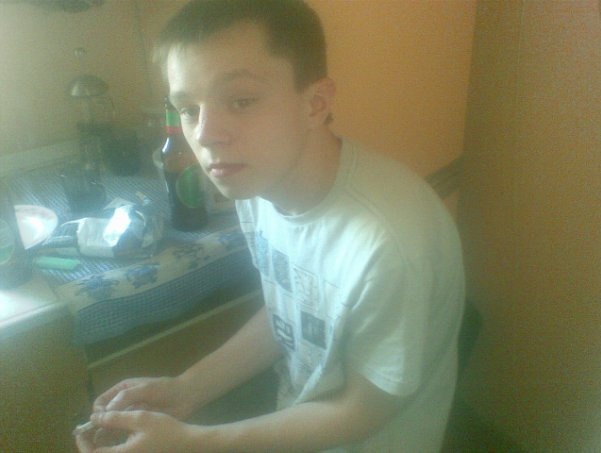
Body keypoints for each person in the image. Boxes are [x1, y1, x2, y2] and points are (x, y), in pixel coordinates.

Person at [76, 0, 465, 451]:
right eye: (188, 108)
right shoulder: (257, 184)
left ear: (315, 104)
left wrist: (192, 443)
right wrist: (186, 390)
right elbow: (292, 310)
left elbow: (363, 412)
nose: (204, 134)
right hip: (294, 420)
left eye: (241, 101)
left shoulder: (388, 244)